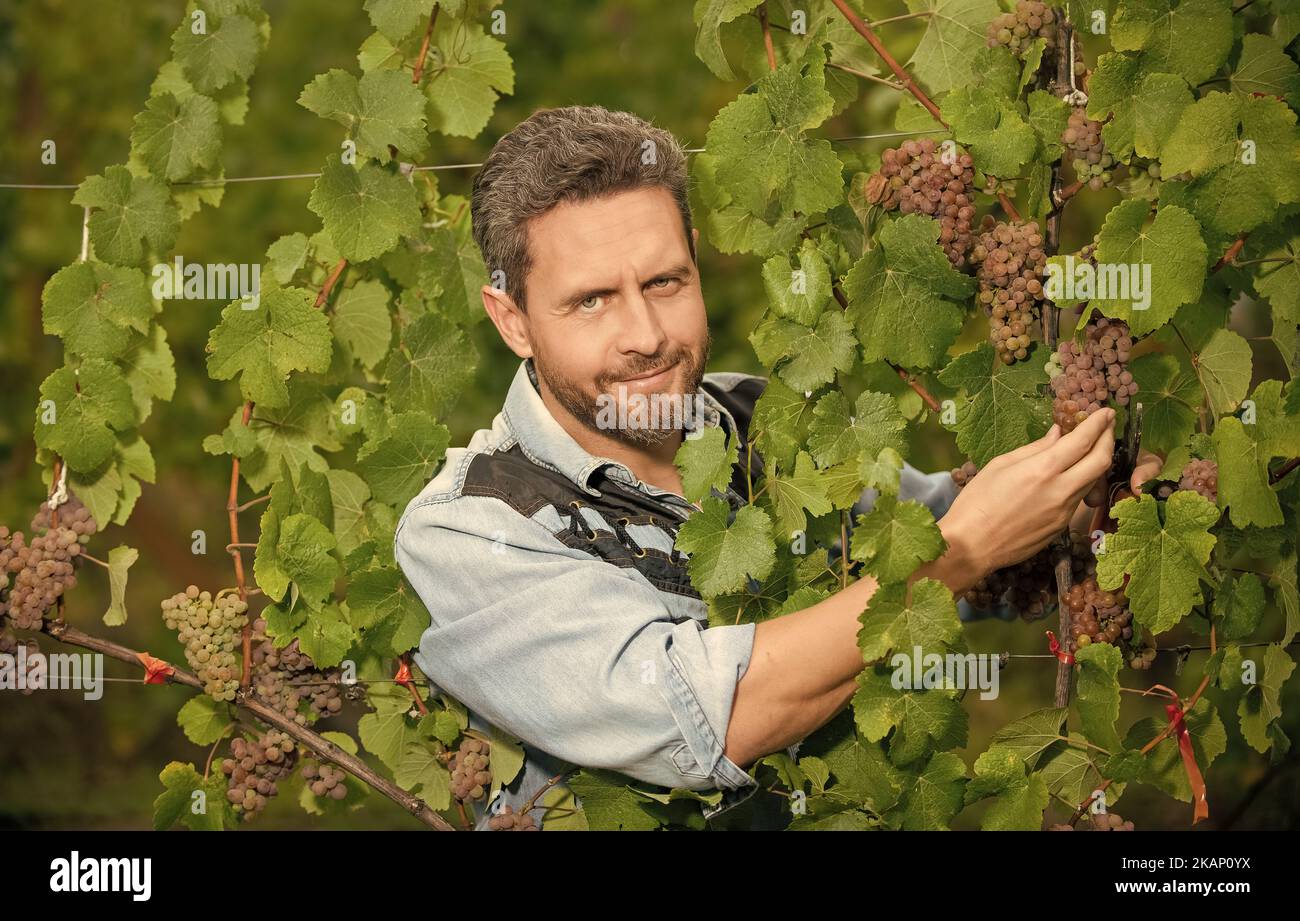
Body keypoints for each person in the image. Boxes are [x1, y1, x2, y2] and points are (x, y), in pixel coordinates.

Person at [392, 105, 1161, 829]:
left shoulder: (760, 421)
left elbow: (925, 535)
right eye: (591, 301)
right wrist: (965, 551)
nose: (646, 334)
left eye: (664, 281)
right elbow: (699, 714)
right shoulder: (471, 523)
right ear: (512, 321)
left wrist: (1101, 510)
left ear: (694, 259)